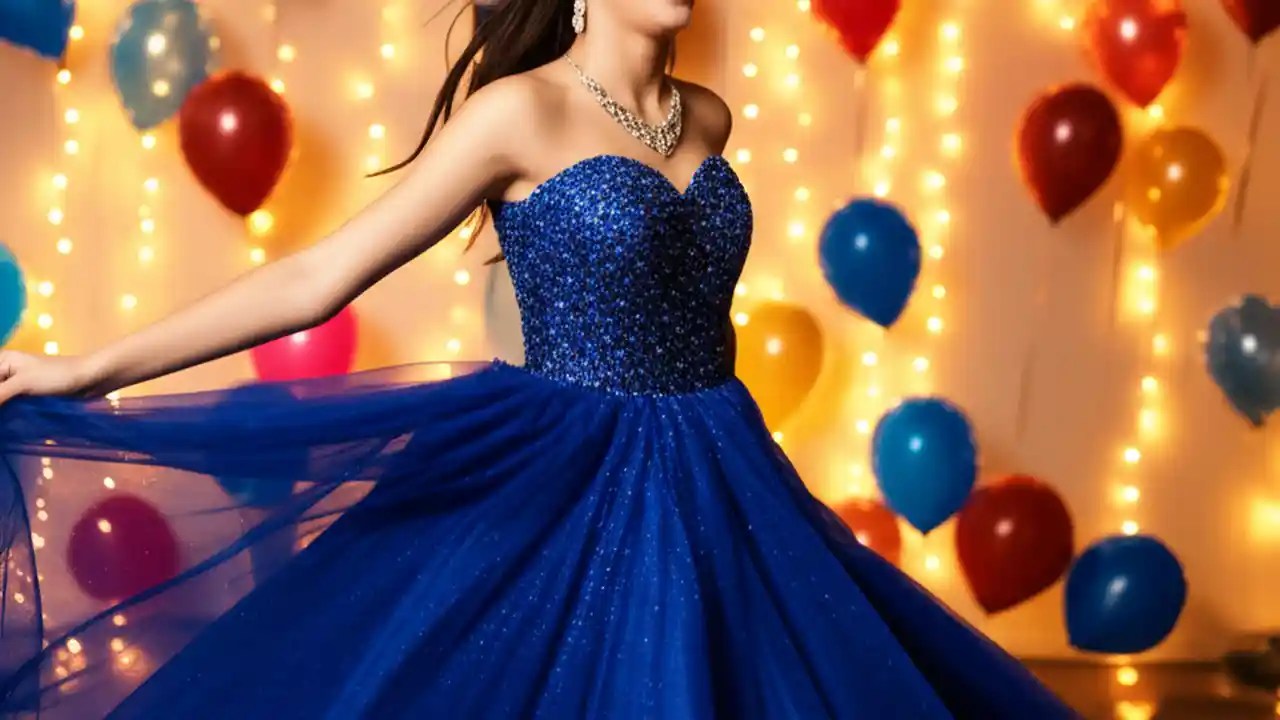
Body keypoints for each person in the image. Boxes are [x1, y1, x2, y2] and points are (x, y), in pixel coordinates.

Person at [0, 0, 1081, 717]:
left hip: (723, 465)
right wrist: (91, 366)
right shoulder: (517, 112)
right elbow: (315, 280)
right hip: (570, 472)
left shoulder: (707, 115)